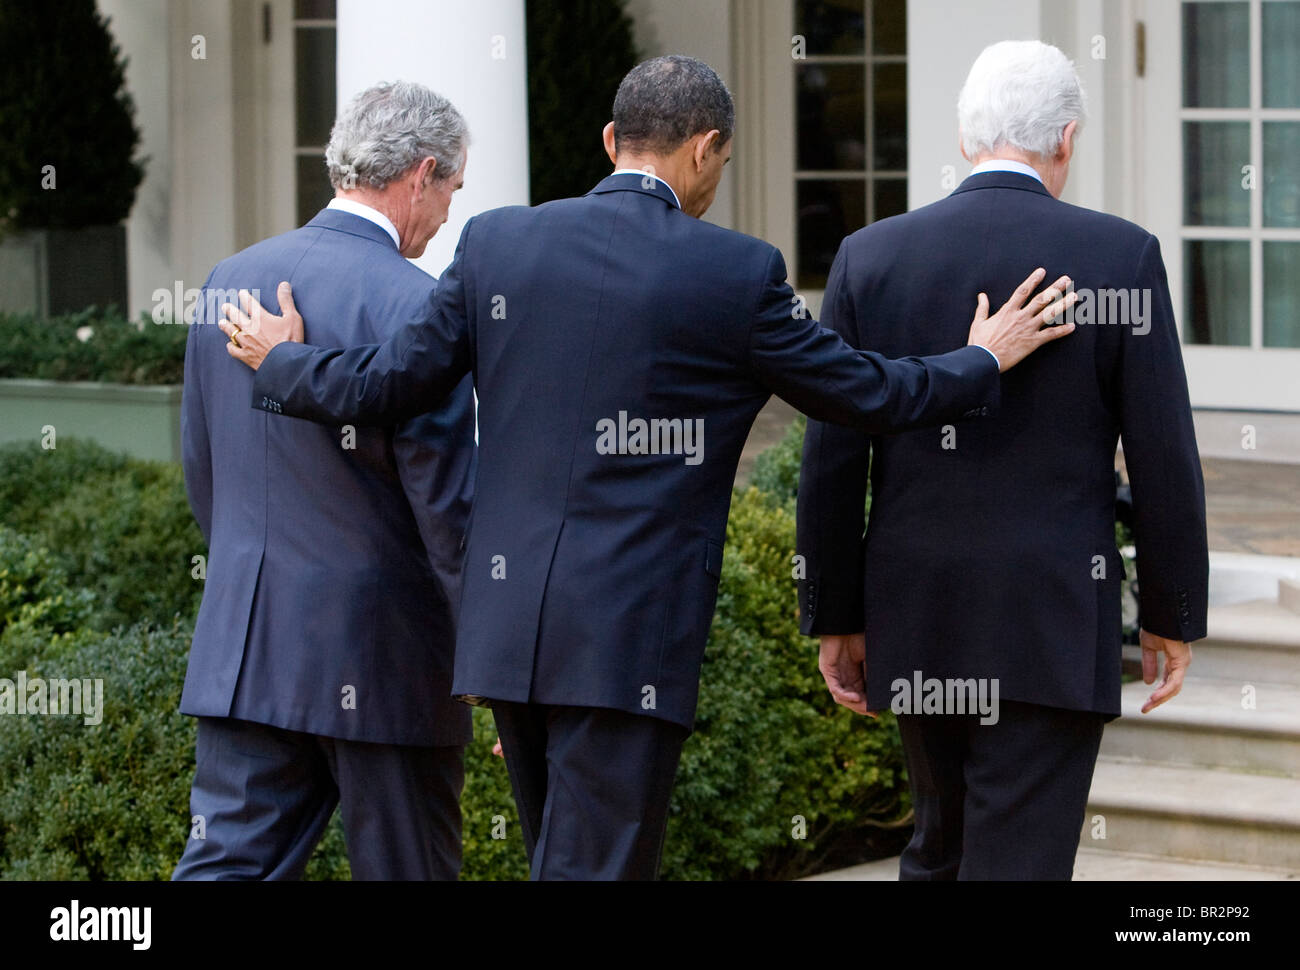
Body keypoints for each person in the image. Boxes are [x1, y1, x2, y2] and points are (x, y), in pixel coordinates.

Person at [218, 56, 1074, 880]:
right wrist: (982, 359)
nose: (718, 181)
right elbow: (871, 394)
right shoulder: (735, 272)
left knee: (563, 857)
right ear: (703, 149)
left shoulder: (498, 242)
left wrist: (286, 363)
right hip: (626, 637)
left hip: (510, 635)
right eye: (723, 162)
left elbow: (387, 383)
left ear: (609, 140)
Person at [796, 40, 1208, 880]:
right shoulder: (1119, 256)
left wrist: (834, 612)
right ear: (1065, 139)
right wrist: (1173, 609)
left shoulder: (869, 257)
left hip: (917, 608)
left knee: (939, 851)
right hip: (1049, 619)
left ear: (963, 138)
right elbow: (1163, 452)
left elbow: (832, 455)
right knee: (1016, 860)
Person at [173, 81, 476, 880]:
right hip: (387, 659)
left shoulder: (227, 278)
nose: (448, 211)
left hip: (248, 650)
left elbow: (205, 475)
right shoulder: (420, 306)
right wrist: (490, 652)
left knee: (224, 872)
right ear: (420, 173)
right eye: (451, 188)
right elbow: (447, 507)